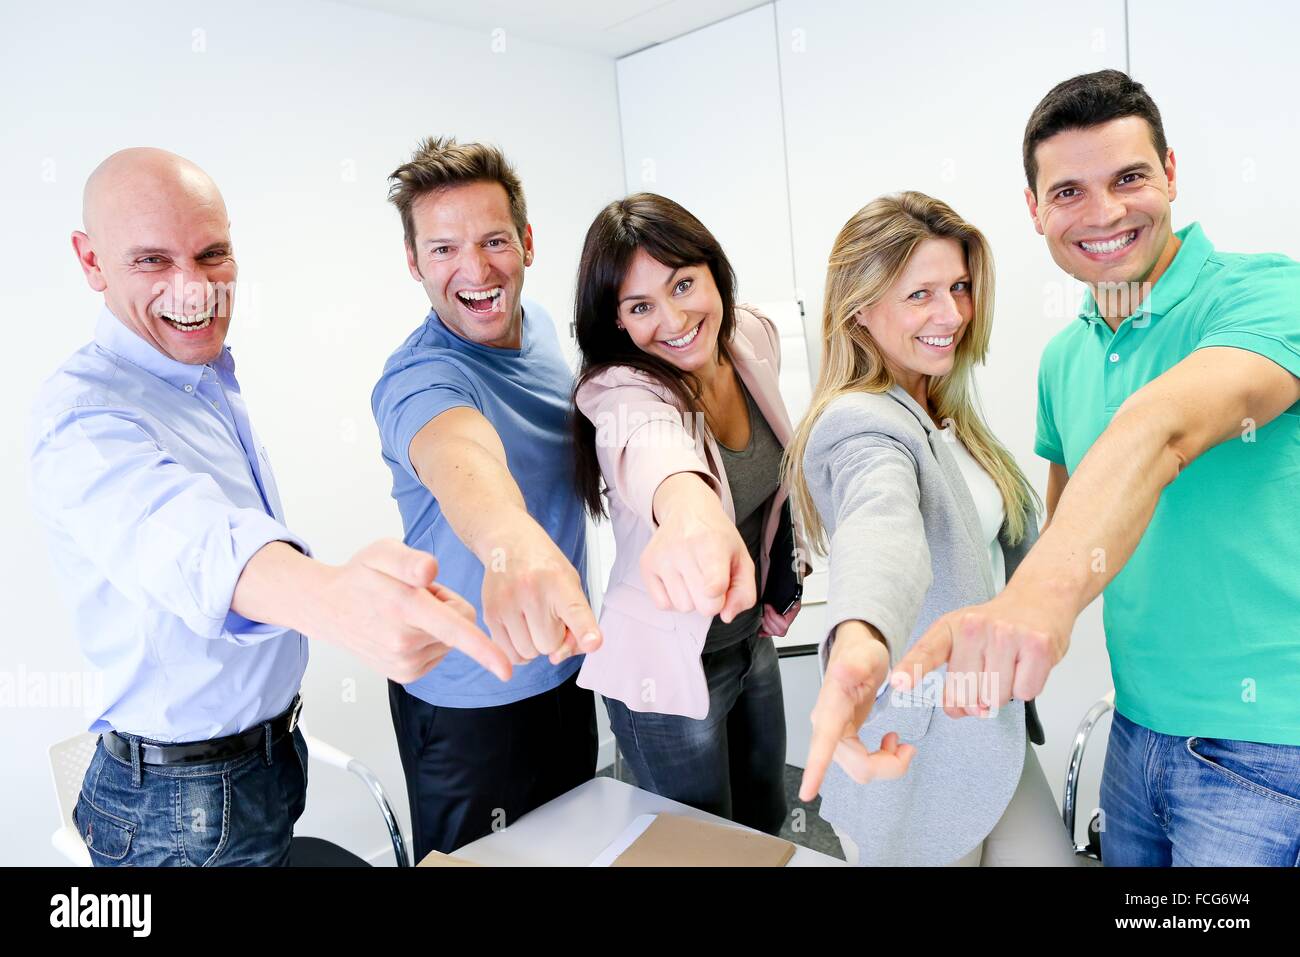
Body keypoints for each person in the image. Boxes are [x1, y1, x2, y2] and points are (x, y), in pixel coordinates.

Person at [29, 147, 507, 867]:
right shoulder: (83, 416)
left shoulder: (202, 373)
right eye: (152, 262)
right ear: (91, 262)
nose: (194, 290)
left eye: (212, 253)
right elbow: (192, 540)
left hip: (265, 762)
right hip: (178, 804)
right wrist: (338, 599)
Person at [895, 69, 1300, 866]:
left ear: (1172, 173)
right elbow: (1074, 525)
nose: (1106, 213)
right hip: (1137, 731)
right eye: (1070, 191)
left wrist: (1034, 604)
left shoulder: (1266, 295)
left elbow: (1160, 431)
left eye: (1130, 177)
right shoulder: (1063, 357)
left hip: (1264, 750)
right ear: (1035, 209)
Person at [789, 192, 1075, 866]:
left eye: (959, 287)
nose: (951, 314)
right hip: (918, 749)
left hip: (990, 731)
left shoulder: (941, 409)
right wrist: (861, 633)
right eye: (919, 294)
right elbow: (879, 526)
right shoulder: (861, 422)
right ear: (859, 309)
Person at [372, 137, 602, 858]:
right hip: (469, 699)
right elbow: (460, 456)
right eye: (442, 250)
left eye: (494, 240)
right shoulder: (421, 380)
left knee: (571, 851)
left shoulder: (538, 333)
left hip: (565, 669)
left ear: (527, 243)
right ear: (414, 263)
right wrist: (510, 541)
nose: (474, 270)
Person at [570, 193, 802, 834]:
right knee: (699, 847)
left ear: (713, 272)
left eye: (683, 284)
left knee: (766, 819)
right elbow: (654, 451)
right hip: (665, 670)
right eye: (640, 306)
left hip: (747, 638)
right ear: (617, 322)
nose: (672, 320)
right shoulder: (619, 390)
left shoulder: (752, 338)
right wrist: (690, 511)